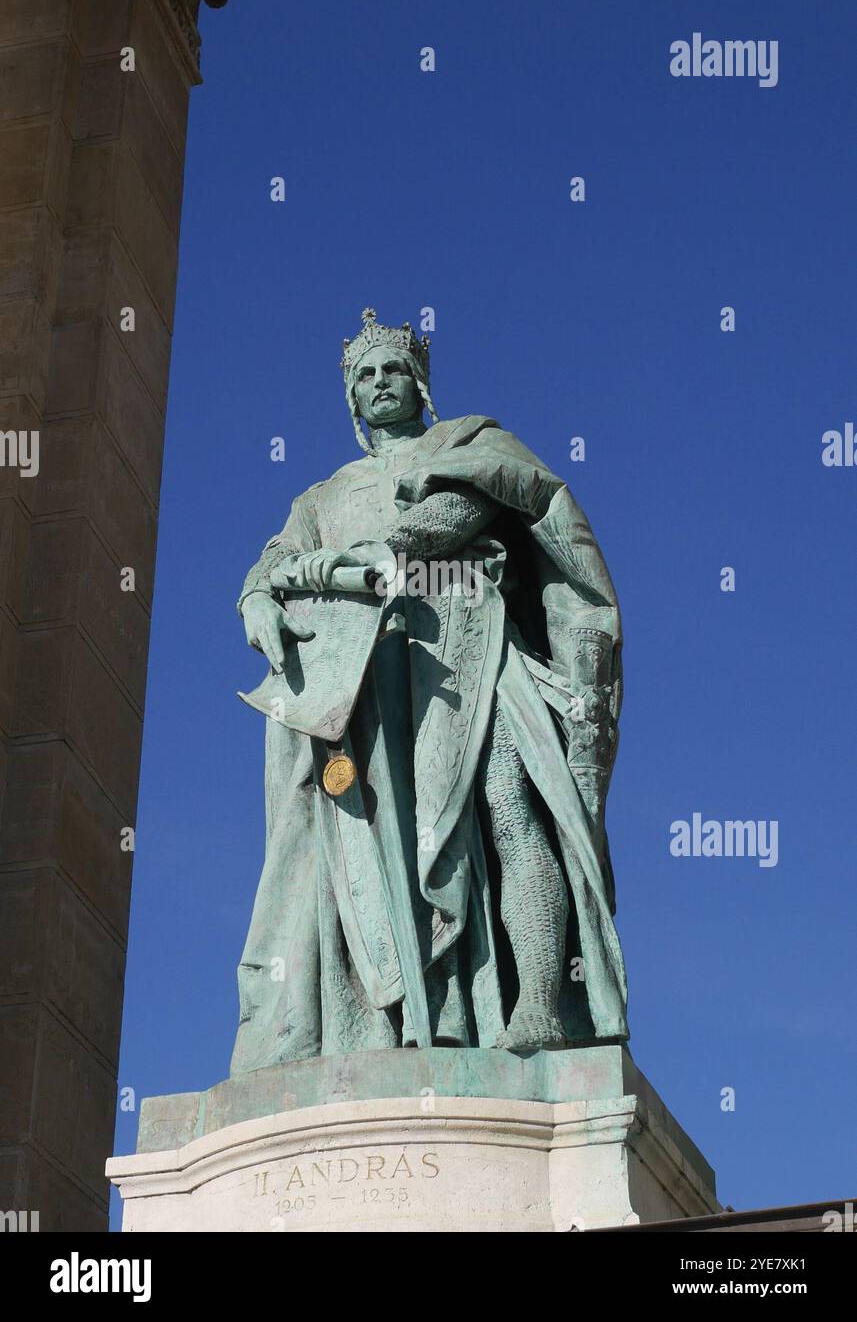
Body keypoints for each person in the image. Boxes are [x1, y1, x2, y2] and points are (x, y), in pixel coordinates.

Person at [231, 309, 628, 1071]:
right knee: (372, 854)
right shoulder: (321, 495)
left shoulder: (468, 443)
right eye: (363, 377)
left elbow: (459, 512)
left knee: (511, 810)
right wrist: (258, 601)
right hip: (367, 681)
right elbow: (270, 563)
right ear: (351, 400)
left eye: (392, 370)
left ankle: (539, 1004)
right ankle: (406, 1022)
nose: (380, 384)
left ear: (419, 383)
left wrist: (368, 556)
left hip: (471, 647)